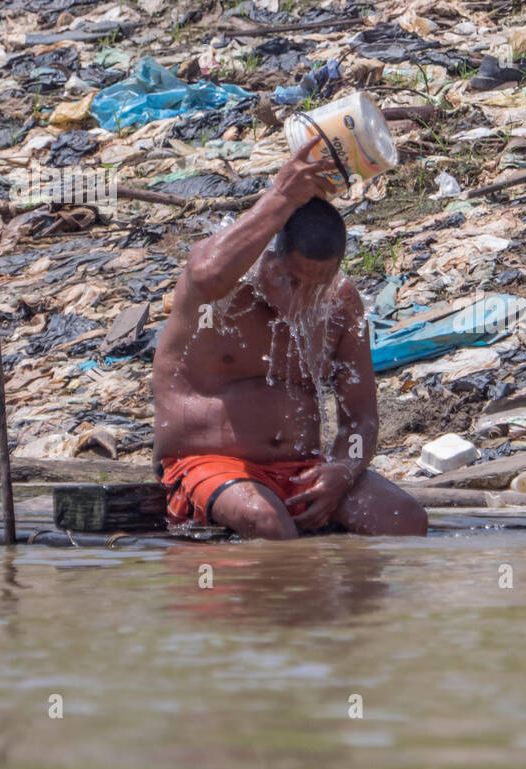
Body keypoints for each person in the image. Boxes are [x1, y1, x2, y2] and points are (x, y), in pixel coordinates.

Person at [151, 140, 428, 538]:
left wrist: (343, 471)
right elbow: (208, 271)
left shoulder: (339, 302)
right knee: (267, 522)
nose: (303, 300)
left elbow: (361, 420)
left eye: (316, 287)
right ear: (267, 257)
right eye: (292, 281)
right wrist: (281, 194)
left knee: (406, 520)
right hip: (208, 462)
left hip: (301, 470)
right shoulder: (221, 289)